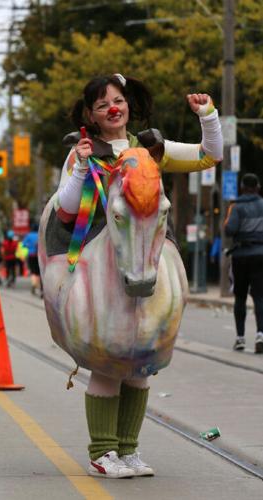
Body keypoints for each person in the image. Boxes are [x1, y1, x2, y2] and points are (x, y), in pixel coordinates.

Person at [51, 74, 222, 478]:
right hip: (100, 259)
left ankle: (128, 451)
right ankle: (102, 451)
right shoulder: (85, 153)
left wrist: (208, 116)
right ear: (90, 115)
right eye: (102, 104)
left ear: (128, 103)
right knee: (108, 367)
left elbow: (208, 155)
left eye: (119, 99)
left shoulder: (152, 148)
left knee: (141, 370)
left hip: (149, 252)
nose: (113, 108)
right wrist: (80, 166)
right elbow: (67, 208)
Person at [224, 173, 263, 353]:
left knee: (240, 297)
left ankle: (240, 338)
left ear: (242, 187)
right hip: (260, 256)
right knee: (259, 297)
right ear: (257, 187)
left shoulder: (236, 207)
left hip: (240, 256)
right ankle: (260, 334)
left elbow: (230, 230)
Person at [22, 223, 41, 296]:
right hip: (39, 255)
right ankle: (39, 287)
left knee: (33, 271)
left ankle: (34, 284)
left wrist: (29, 246)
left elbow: (23, 244)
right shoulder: (40, 234)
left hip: (31, 255)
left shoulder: (28, 235)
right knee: (39, 272)